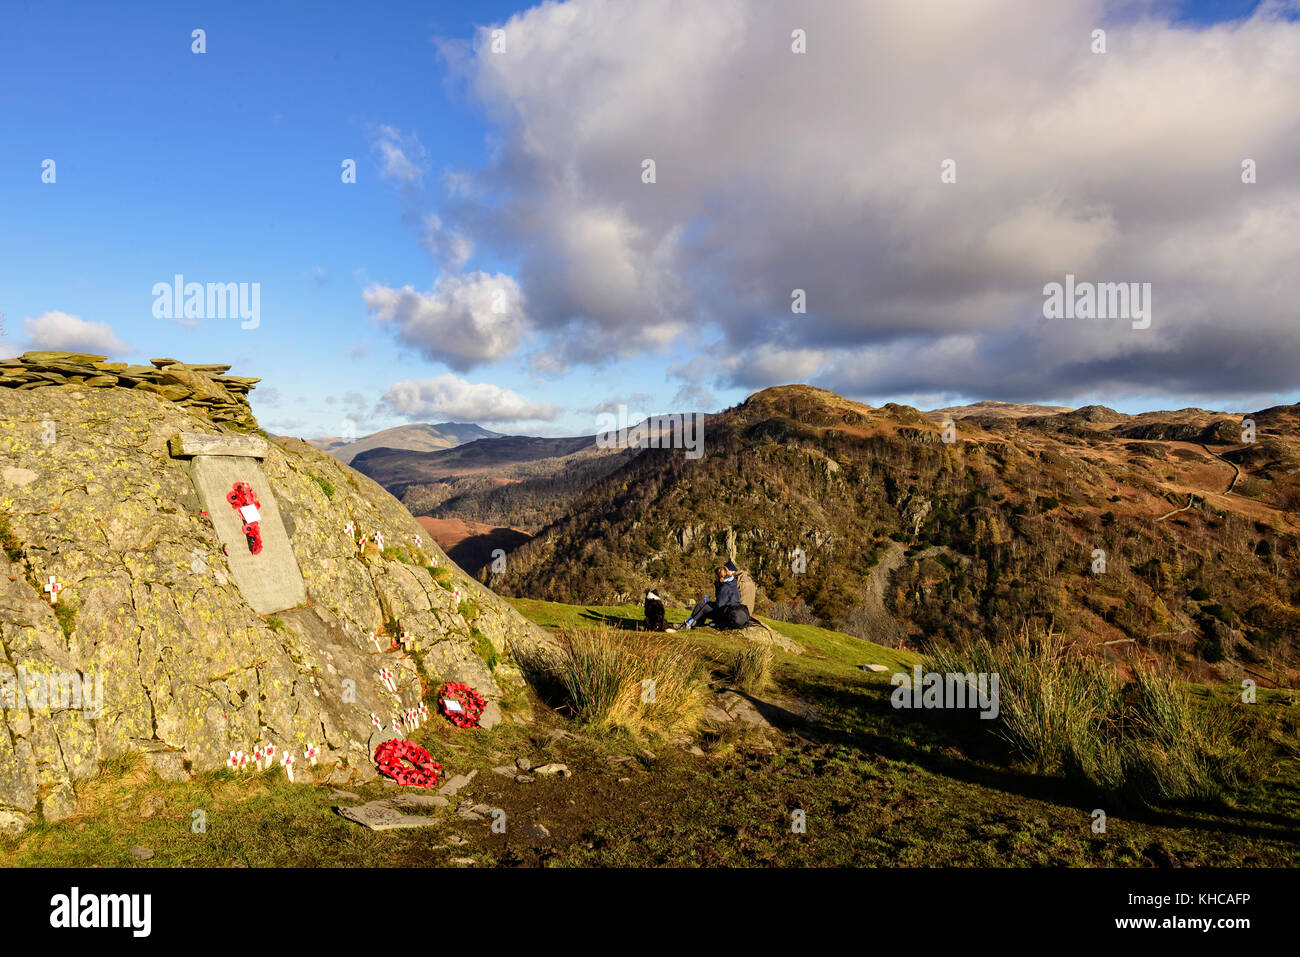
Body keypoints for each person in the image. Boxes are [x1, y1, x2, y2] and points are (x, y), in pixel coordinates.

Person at [668, 565, 749, 632]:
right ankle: (696, 624)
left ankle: (688, 624)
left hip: (724, 613)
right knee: (704, 605)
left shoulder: (724, 587)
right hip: (732, 609)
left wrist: (715, 590)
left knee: (703, 606)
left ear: (719, 576)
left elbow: (719, 604)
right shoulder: (733, 582)